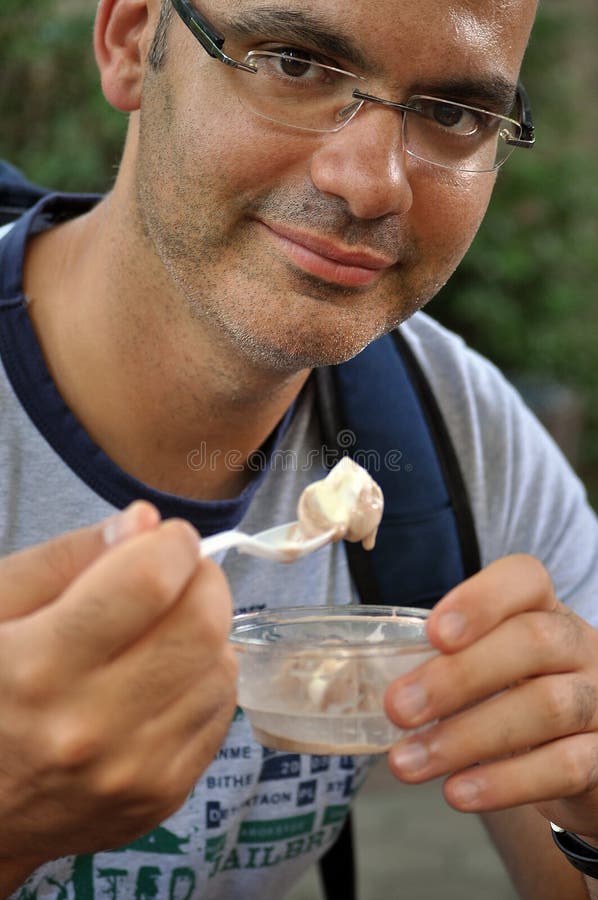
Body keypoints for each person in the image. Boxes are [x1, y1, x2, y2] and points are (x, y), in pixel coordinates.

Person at [1, 0, 598, 898]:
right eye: (295, 63)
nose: (369, 182)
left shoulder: (462, 438)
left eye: (453, 113)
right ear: (131, 41)